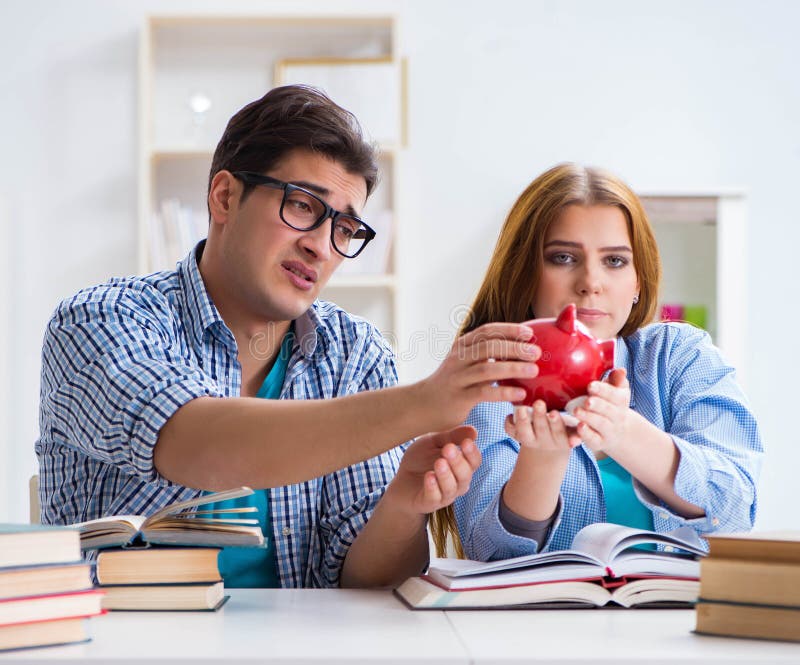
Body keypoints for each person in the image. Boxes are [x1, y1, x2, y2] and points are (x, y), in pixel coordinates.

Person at [36, 85, 541, 587]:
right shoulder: (98, 321)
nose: (322, 246)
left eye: (345, 229)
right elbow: (199, 444)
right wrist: (421, 404)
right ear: (225, 197)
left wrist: (403, 507)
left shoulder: (356, 354)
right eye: (303, 206)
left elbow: (367, 584)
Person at [431, 163, 763, 561]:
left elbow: (737, 508)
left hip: (673, 619)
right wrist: (544, 456)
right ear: (525, 273)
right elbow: (491, 554)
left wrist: (623, 433)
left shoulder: (680, 357)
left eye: (615, 261)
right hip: (538, 622)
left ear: (638, 281)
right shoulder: (492, 379)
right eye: (563, 257)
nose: (591, 281)